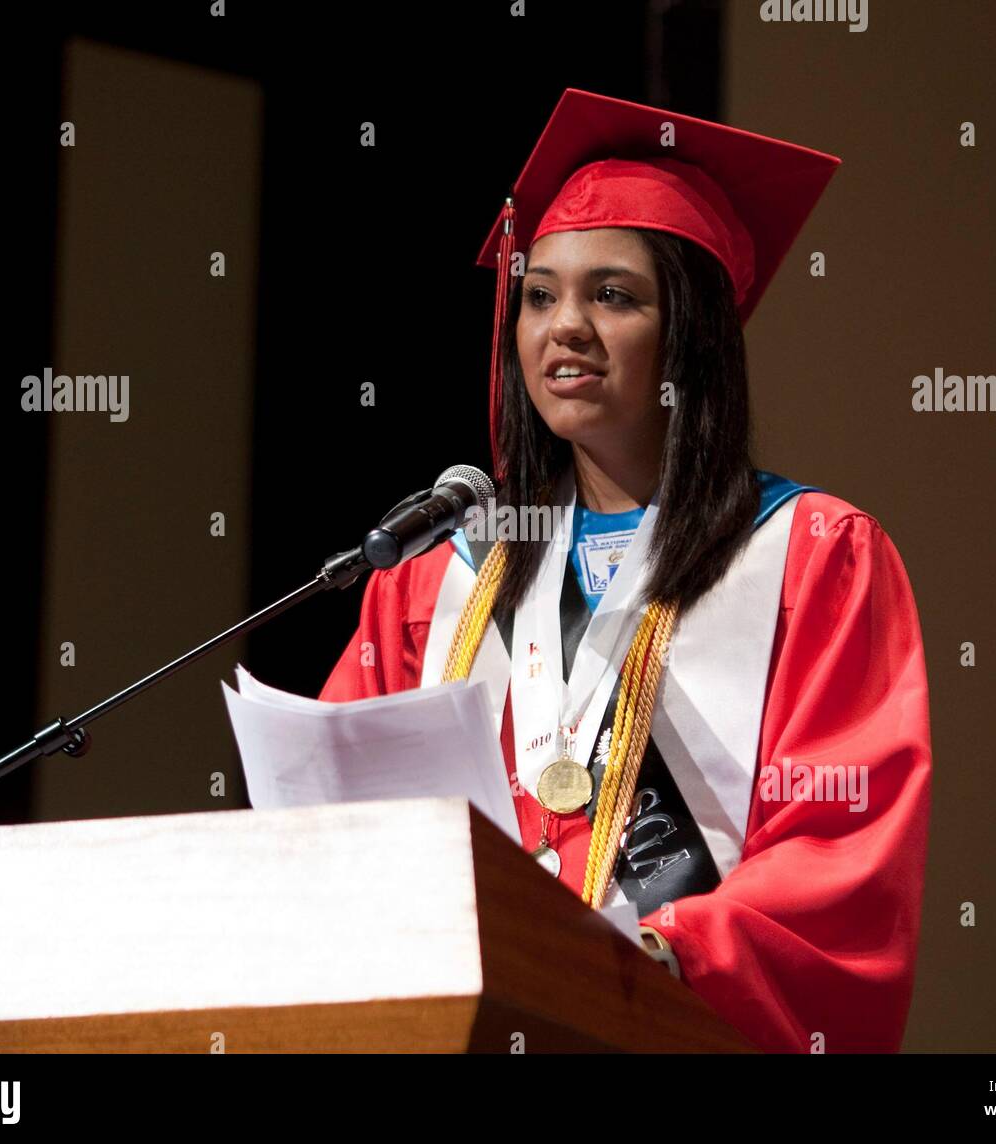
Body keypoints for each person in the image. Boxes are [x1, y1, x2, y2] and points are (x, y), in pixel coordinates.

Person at [320, 88, 932, 1053]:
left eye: (612, 294)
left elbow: (837, 850)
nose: (564, 325)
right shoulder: (436, 576)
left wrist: (645, 954)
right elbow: (340, 819)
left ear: (689, 332)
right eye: (539, 295)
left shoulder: (812, 555)